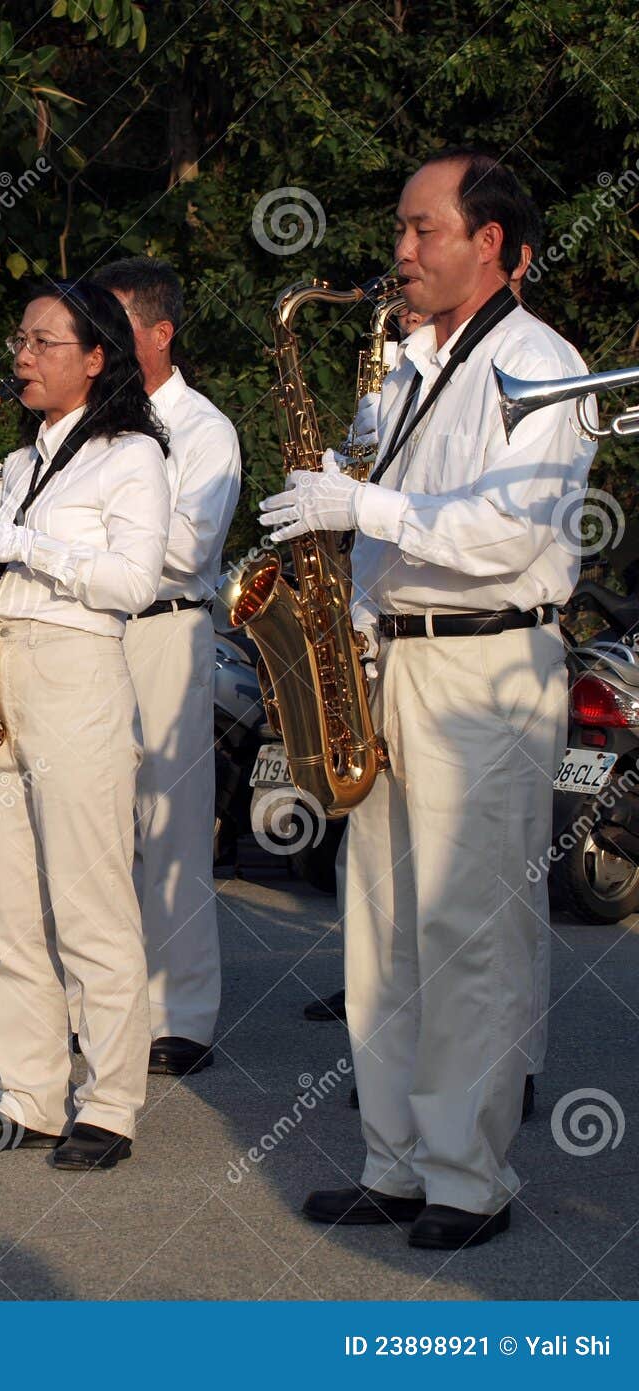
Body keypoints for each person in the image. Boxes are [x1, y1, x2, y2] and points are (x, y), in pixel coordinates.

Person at [264, 148, 595, 1249]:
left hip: (485, 665)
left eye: (421, 230)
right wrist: (340, 617)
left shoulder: (541, 363)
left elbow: (511, 535)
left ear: (488, 241)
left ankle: (467, 1176)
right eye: (399, 231)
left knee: (468, 929)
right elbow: (375, 523)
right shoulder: (405, 369)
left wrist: (368, 515)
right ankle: (393, 1160)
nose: (399, 251)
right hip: (396, 658)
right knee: (381, 923)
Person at [0, 280, 171, 1170]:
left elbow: (133, 583)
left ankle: (110, 1100)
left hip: (77, 671)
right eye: (20, 339)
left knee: (89, 899)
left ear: (96, 357)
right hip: (3, 666)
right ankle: (30, 1092)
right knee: (3, 904)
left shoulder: (131, 455)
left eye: (43, 342)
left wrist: (24, 545)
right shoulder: (25, 459)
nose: (22, 358)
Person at [94, 258, 241, 1075]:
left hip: (164, 628)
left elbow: (186, 547)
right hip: (94, 628)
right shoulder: (94, 421)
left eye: (115, 323)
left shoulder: (204, 428)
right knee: (100, 826)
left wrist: (95, 540)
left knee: (172, 824)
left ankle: (181, 1014)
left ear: (158, 333)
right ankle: (111, 1006)